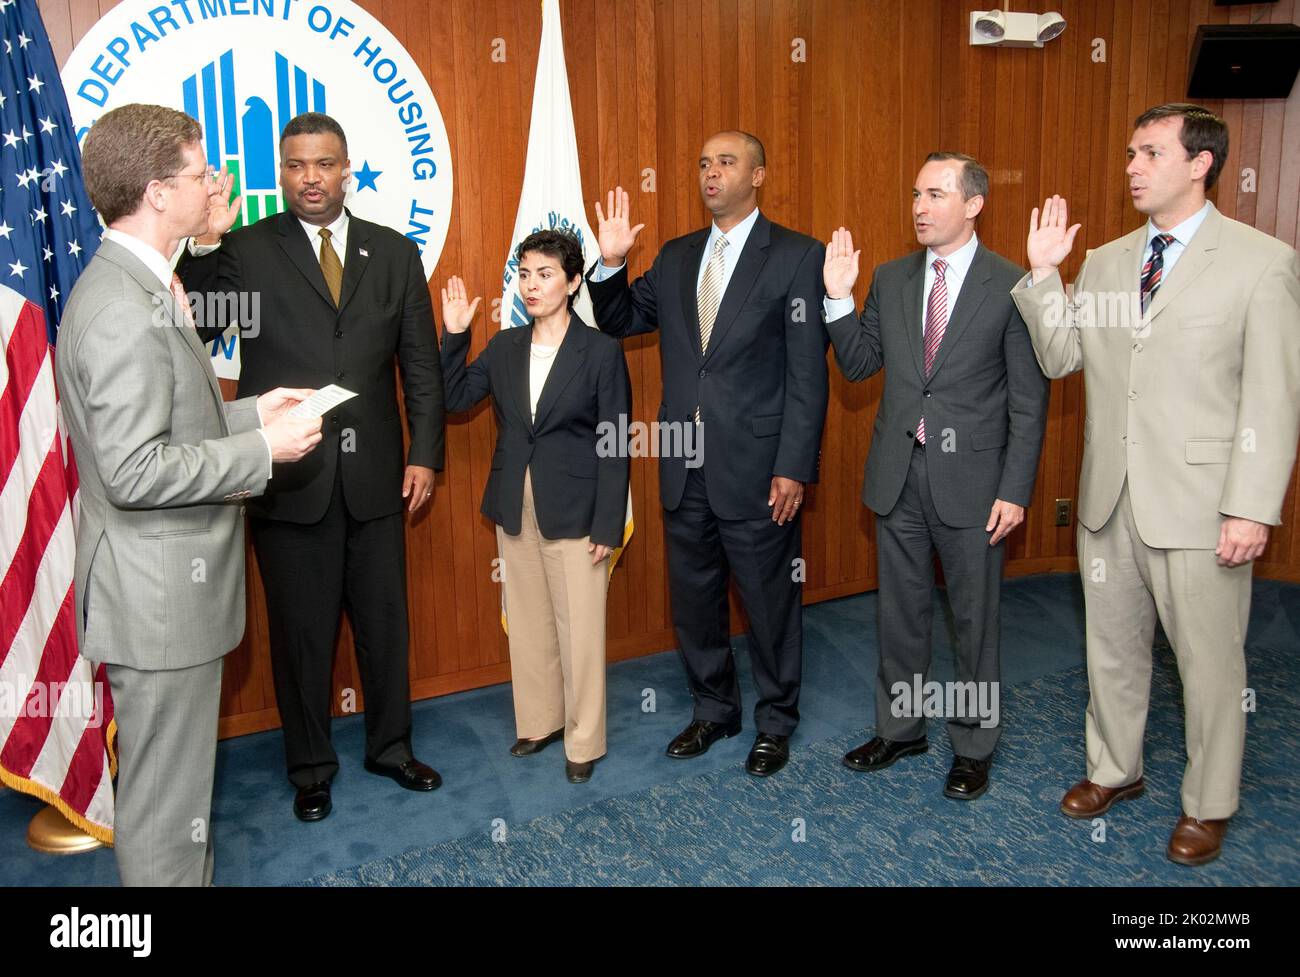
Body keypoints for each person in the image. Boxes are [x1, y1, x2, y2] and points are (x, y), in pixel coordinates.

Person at [1014, 103, 1300, 864]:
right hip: (1110, 497)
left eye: (1149, 152)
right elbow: (1061, 357)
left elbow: (1273, 397)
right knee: (1111, 647)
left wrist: (1251, 506)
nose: (1132, 166)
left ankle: (1209, 802)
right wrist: (1045, 275)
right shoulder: (1106, 260)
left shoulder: (1261, 261)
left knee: (1210, 665)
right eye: (1130, 153)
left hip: (1206, 508)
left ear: (1201, 163)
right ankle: (1115, 769)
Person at [55, 103, 322, 884]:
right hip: (159, 599)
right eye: (203, 172)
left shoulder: (136, 284)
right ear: (157, 191)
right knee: (168, 814)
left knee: (177, 802)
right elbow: (134, 470)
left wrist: (248, 412)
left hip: (165, 591)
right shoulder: (118, 310)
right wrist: (258, 451)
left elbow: (167, 421)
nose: (216, 184)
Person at [177, 112, 445, 822]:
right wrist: (203, 245)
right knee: (302, 635)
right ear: (282, 172)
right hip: (290, 480)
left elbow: (418, 363)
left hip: (379, 478)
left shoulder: (393, 252)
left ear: (346, 168)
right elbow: (199, 325)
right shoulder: (243, 247)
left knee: (386, 626)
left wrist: (426, 452)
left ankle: (391, 747)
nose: (310, 178)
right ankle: (311, 767)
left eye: (323, 164)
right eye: (296, 166)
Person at [587, 130, 828, 777]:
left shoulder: (798, 256)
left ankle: (775, 721)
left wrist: (793, 465)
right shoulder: (675, 256)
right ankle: (714, 709)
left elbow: (808, 374)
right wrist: (609, 264)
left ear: (759, 175)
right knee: (694, 598)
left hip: (758, 468)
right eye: (702, 163)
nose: (711, 172)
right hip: (682, 462)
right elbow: (615, 320)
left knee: (770, 600)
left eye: (726, 161)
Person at [822, 153, 1048, 800]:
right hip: (899, 473)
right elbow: (861, 364)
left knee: (974, 621)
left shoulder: (1011, 284)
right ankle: (901, 729)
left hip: (977, 485)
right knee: (901, 613)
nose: (920, 206)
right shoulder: (891, 279)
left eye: (936, 194)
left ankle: (974, 745)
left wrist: (1015, 488)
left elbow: (1028, 402)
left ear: (974, 203)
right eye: (916, 193)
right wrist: (838, 298)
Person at [439, 230, 631, 783]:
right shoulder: (504, 347)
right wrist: (455, 335)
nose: (531, 285)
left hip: (578, 507)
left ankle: (584, 740)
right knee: (528, 624)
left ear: (573, 282)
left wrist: (608, 522)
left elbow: (616, 441)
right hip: (514, 503)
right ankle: (541, 721)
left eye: (545, 274)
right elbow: (454, 399)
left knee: (580, 629)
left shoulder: (600, 351)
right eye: (524, 273)